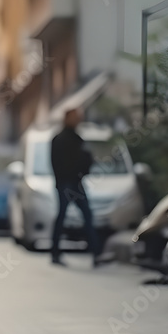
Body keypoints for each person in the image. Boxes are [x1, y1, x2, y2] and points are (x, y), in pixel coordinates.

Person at [50, 108, 101, 267]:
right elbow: (57, 164)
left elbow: (86, 159)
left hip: (75, 184)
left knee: (86, 215)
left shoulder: (77, 139)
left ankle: (95, 253)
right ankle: (56, 253)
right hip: (67, 184)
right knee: (64, 217)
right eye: (75, 117)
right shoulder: (60, 139)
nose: (78, 120)